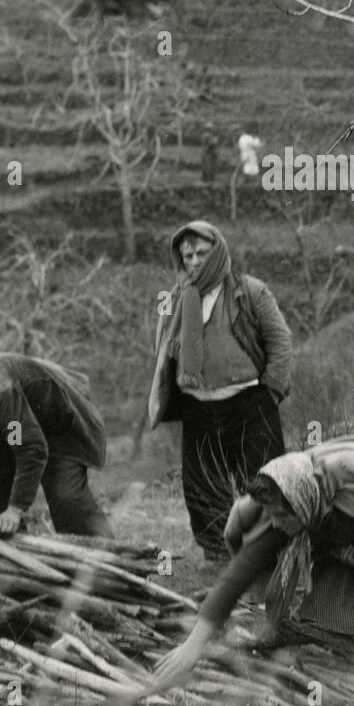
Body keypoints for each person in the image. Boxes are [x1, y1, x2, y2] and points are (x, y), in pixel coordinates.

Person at [149, 429, 354, 690]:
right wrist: (192, 646)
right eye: (271, 515)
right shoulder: (292, 495)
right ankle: (317, 633)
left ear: (300, 507)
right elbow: (240, 571)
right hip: (333, 505)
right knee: (326, 596)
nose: (274, 524)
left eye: (279, 516)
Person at [148, 219, 292, 560]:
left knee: (262, 482)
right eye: (187, 256)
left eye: (201, 253)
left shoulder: (250, 291)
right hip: (199, 408)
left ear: (217, 252)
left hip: (249, 404)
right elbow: (165, 346)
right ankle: (217, 556)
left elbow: (280, 342)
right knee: (201, 487)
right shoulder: (177, 297)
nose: (194, 262)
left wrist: (270, 393)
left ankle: (267, 555)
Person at [0, 352, 112, 539]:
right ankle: (27, 554)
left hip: (60, 421)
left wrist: (15, 509)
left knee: (66, 499)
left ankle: (107, 556)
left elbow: (31, 449)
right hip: (12, 429)